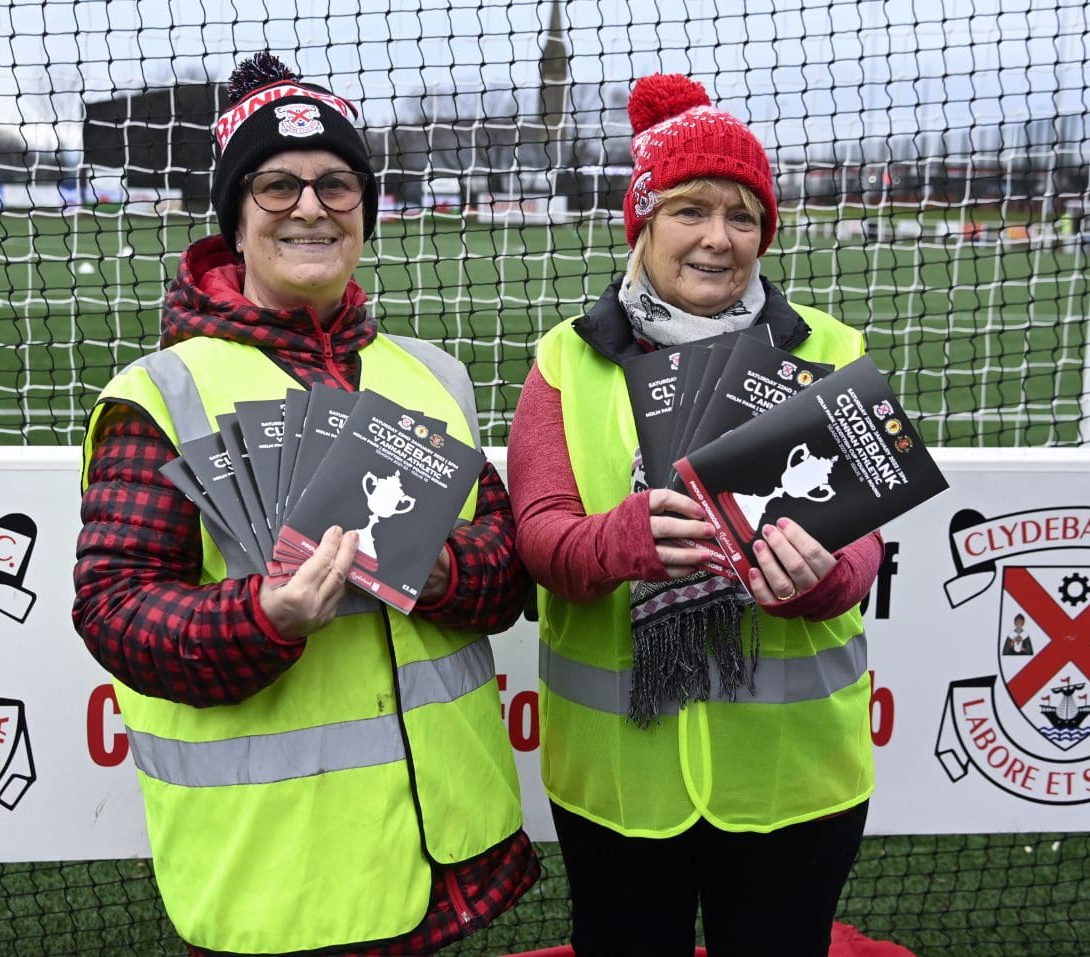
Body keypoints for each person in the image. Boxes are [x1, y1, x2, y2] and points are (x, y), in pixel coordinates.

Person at [72, 52, 537, 957]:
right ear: (235, 221)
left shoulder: (428, 375)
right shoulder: (162, 393)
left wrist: (441, 569)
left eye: (335, 184)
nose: (312, 207)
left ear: (364, 209)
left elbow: (510, 564)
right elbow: (115, 610)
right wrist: (264, 616)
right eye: (277, 187)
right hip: (277, 869)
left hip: (438, 844)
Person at [506, 72, 884, 957]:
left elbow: (864, 547)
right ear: (641, 222)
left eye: (742, 216)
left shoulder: (831, 352)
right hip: (619, 783)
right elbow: (542, 534)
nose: (719, 238)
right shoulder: (566, 359)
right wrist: (623, 540)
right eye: (689, 210)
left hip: (794, 778)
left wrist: (817, 580)